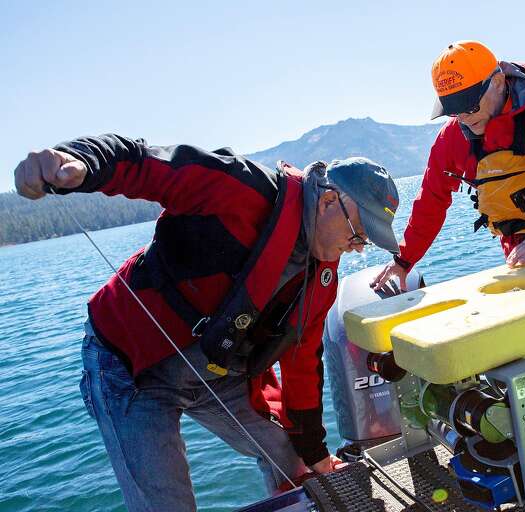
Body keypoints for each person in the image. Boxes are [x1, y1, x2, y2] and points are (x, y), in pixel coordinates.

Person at [13, 134, 401, 511]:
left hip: (219, 373)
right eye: (359, 233)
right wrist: (77, 162)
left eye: (366, 241)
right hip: (130, 367)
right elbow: (144, 161)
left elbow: (301, 367)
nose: (357, 247)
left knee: (291, 457)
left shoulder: (322, 280)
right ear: (329, 201)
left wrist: (315, 453)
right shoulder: (239, 187)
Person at [373, 40, 525, 290]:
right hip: (524, 262)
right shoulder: (453, 136)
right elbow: (431, 200)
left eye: (469, 105)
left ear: (498, 82)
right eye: (453, 109)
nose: (464, 118)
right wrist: (403, 261)